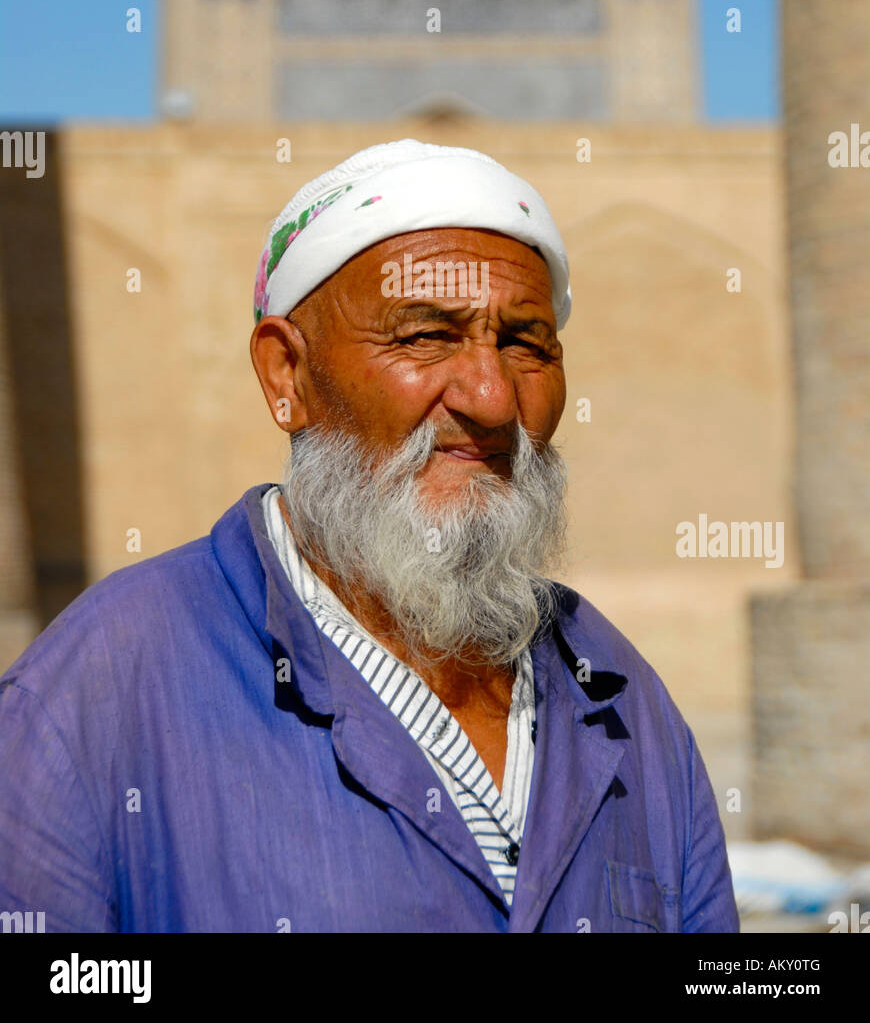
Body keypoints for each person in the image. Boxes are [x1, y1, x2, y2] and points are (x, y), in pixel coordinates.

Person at [0, 138, 738, 933]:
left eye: (525, 343)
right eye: (425, 336)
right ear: (288, 376)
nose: (491, 399)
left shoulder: (618, 694)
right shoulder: (104, 693)